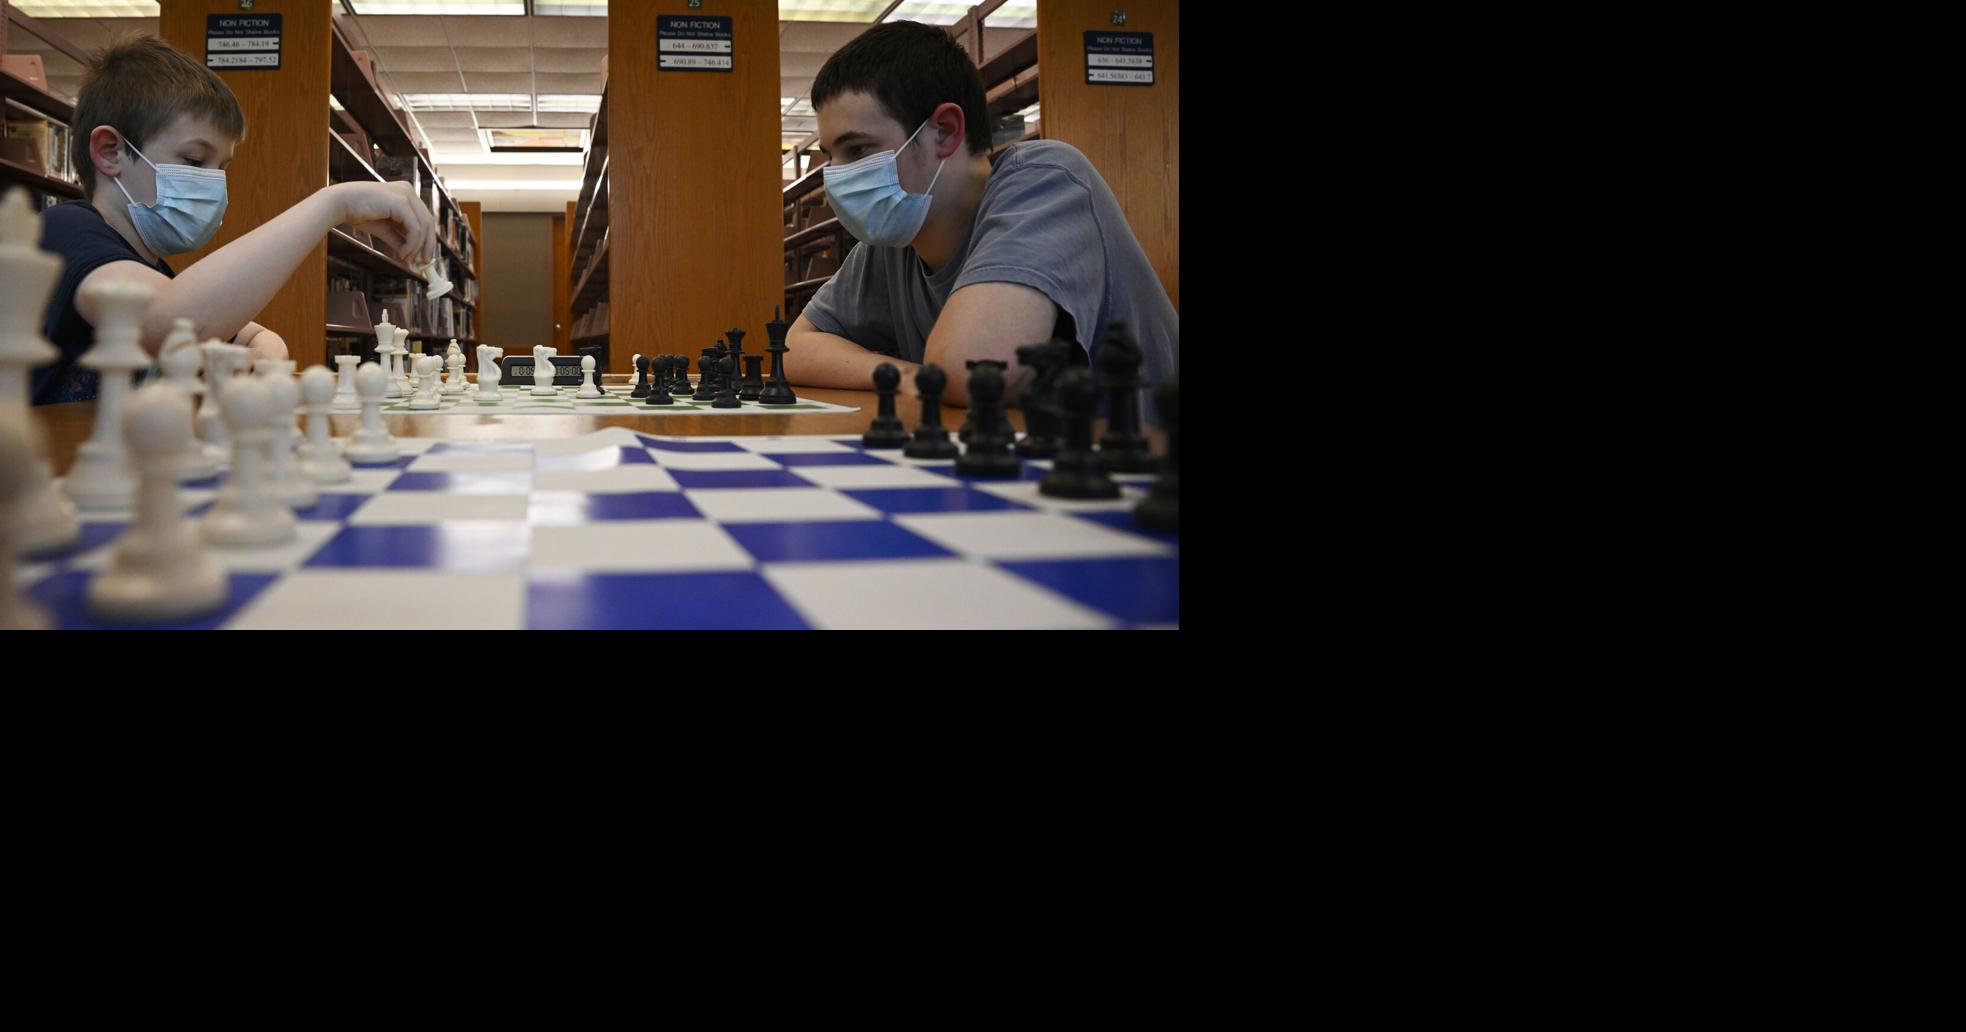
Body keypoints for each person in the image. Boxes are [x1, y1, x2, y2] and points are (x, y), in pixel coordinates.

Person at [788, 20, 1177, 406]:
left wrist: (919, 376)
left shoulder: (1045, 181)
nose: (836, 177)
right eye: (831, 157)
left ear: (945, 130)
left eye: (857, 150)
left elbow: (971, 370)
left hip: (1138, 459)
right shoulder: (897, 232)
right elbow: (794, 348)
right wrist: (905, 375)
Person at [32, 36, 438, 405]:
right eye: (194, 161)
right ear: (109, 152)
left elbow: (262, 337)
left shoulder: (151, 271)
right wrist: (334, 204)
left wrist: (257, 358)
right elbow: (165, 324)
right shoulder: (65, 231)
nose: (213, 183)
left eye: (221, 167)